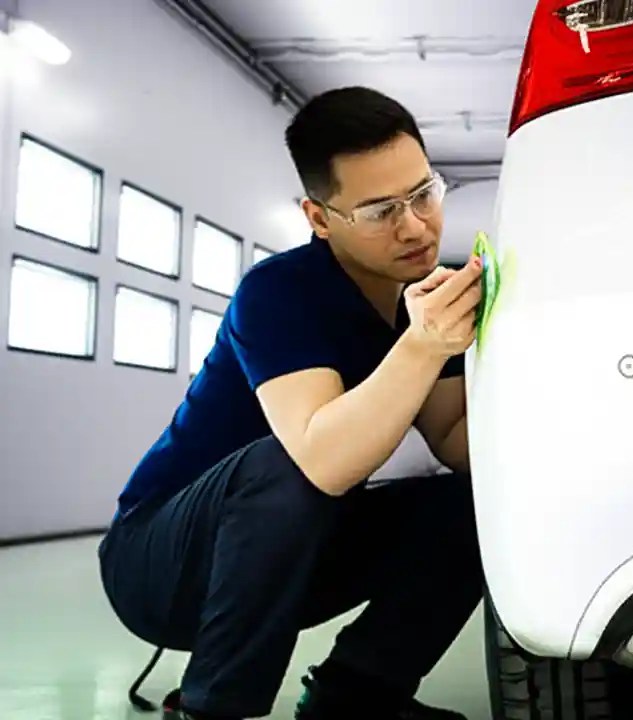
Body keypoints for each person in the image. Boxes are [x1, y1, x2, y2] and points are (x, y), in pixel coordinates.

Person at [97, 86, 485, 720]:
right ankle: (215, 708)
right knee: (290, 464)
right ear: (319, 217)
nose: (415, 226)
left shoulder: (421, 293)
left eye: (423, 194)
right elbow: (319, 462)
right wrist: (422, 344)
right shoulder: (279, 292)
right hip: (160, 566)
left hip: (286, 557)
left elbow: (453, 437)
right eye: (380, 210)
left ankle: (355, 697)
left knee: (472, 501)